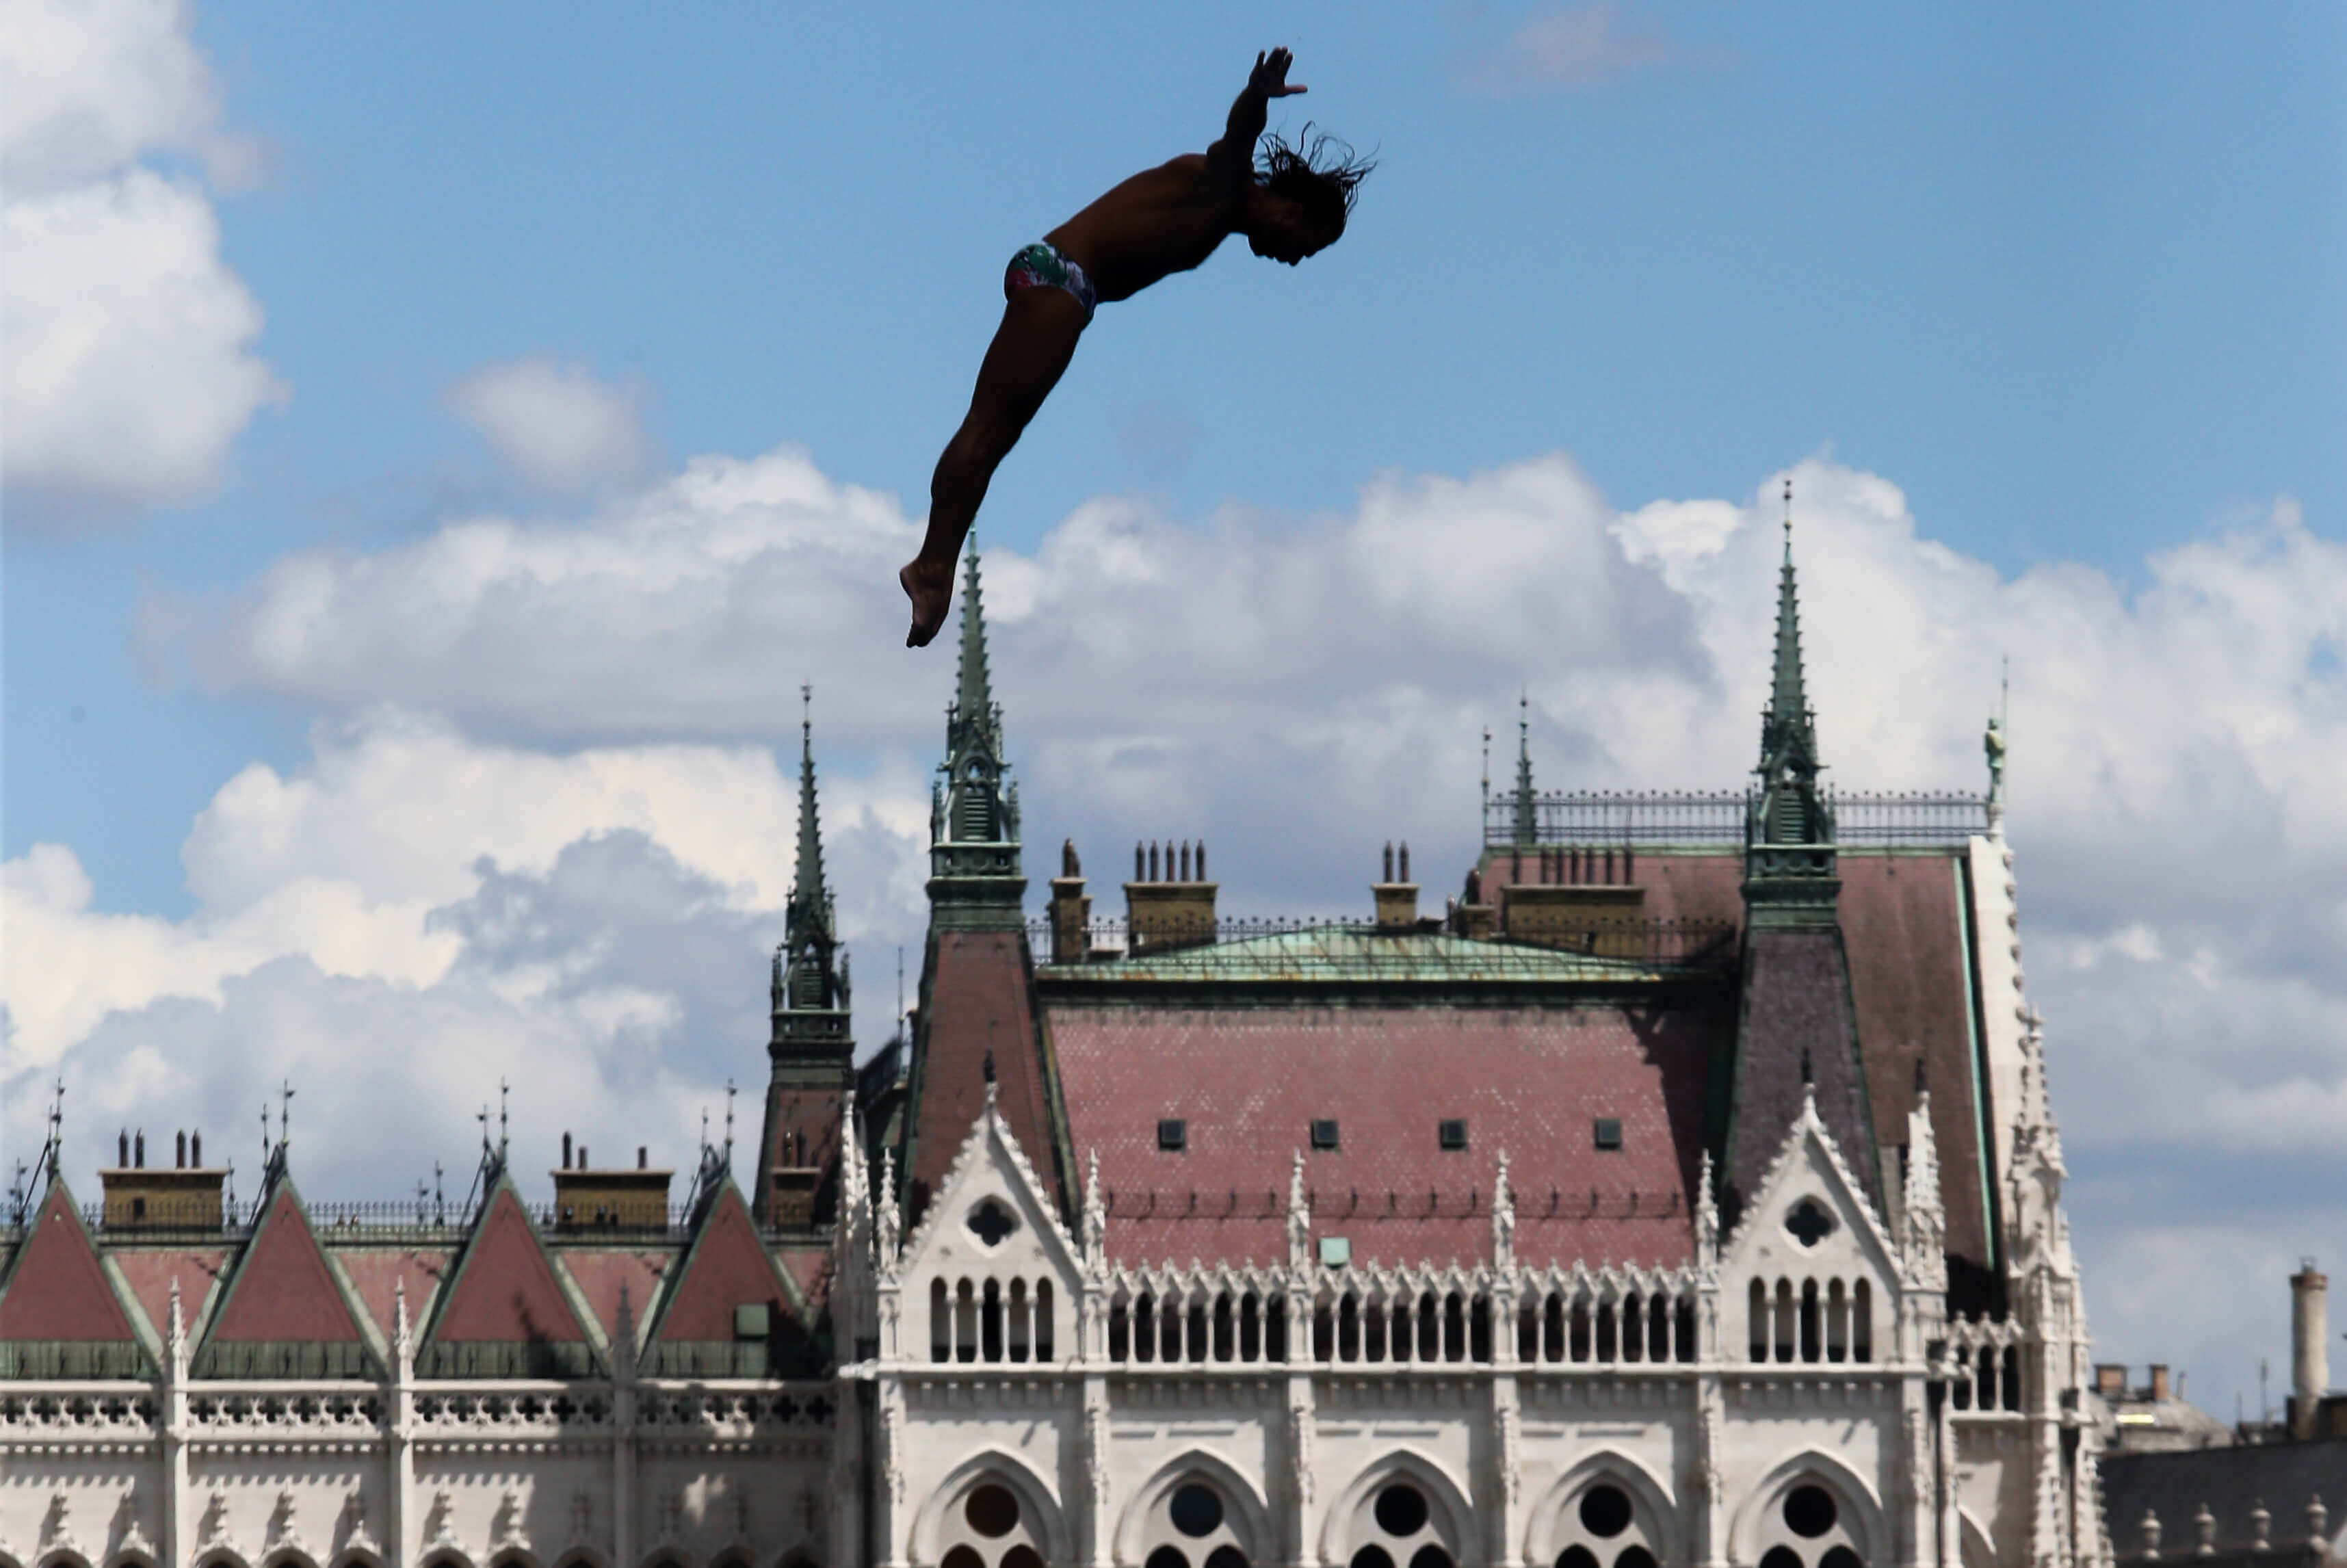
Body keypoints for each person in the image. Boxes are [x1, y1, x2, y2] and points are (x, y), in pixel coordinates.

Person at [899, 47, 1372, 645]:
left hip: (1067, 288)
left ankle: (933, 566)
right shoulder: (1226, 186)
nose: (1295, 257)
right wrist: (1256, 95)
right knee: (987, 432)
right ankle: (932, 567)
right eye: (1305, 241)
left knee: (995, 439)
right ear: (1290, 205)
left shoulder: (1225, 213)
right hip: (1060, 276)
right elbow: (1238, 134)